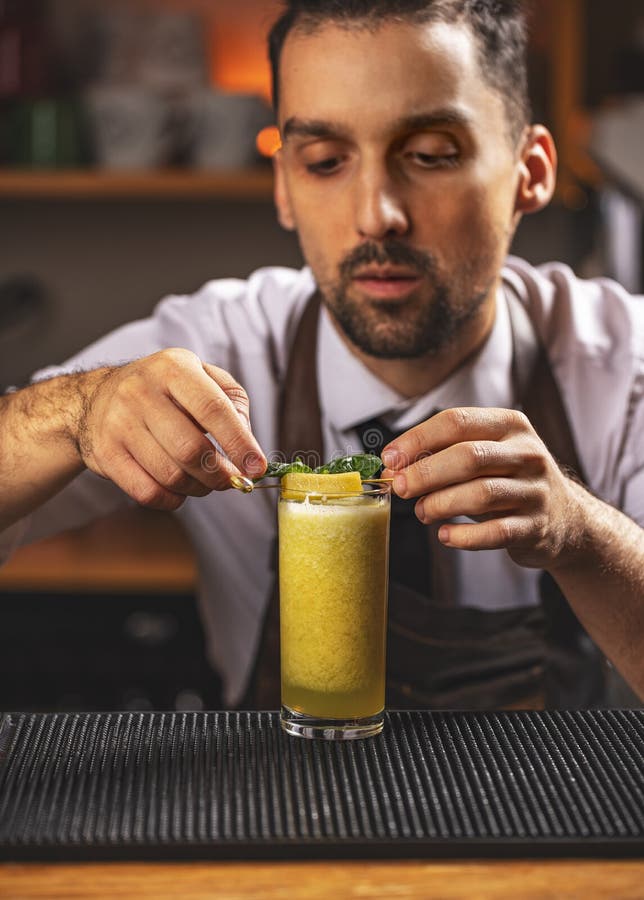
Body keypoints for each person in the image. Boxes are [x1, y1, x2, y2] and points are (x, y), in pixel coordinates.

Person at [0, 0, 642, 709]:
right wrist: (74, 411)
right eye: (325, 161)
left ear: (531, 170)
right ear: (283, 185)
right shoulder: (219, 344)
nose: (376, 214)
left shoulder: (624, 366)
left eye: (430, 156)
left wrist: (583, 537)